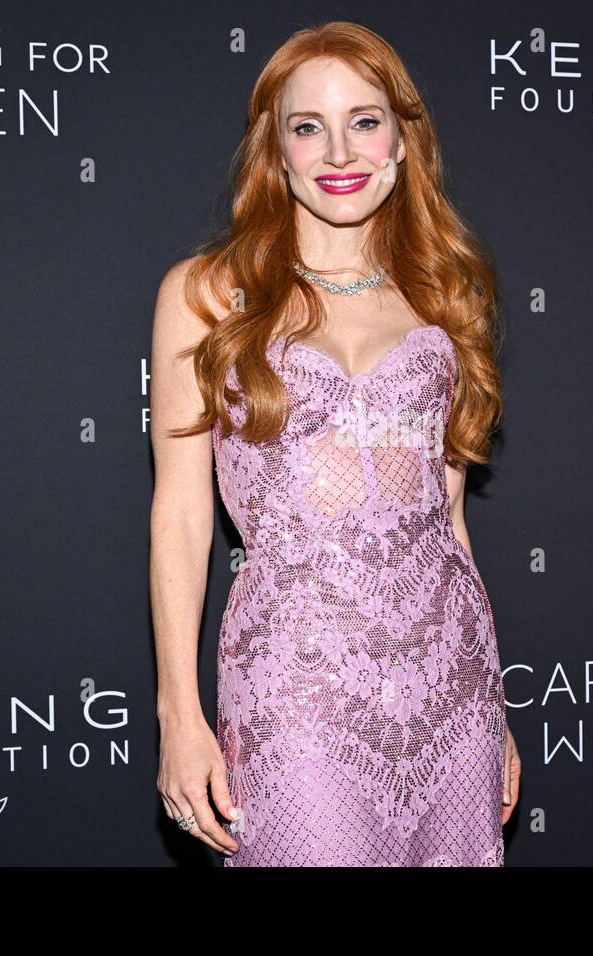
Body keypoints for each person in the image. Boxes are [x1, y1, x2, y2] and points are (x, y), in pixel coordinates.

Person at [149, 20, 520, 866]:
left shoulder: (446, 297)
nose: (338, 149)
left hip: (448, 685)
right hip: (297, 686)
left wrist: (491, 709)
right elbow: (179, 516)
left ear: (401, 140)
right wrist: (180, 713)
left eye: (364, 118)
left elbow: (449, 527)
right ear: (275, 151)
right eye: (306, 126)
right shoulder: (210, 295)